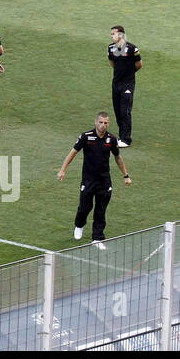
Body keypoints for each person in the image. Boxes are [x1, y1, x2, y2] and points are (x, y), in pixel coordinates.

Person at [57, 111, 131, 249]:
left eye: (106, 123)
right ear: (96, 122)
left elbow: (117, 157)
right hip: (88, 180)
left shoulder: (111, 139)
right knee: (85, 207)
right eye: (101, 122)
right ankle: (79, 225)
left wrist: (126, 175)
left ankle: (97, 238)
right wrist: (63, 169)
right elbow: (73, 152)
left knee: (101, 210)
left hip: (104, 181)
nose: (103, 125)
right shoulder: (86, 137)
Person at [107, 25, 142, 147]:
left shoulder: (132, 48)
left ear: (120, 35)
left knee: (124, 111)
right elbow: (112, 63)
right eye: (111, 34)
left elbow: (139, 64)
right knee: (117, 111)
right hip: (116, 84)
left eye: (113, 34)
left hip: (128, 84)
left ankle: (126, 139)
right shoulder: (111, 48)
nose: (111, 36)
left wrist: (128, 74)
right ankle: (121, 136)